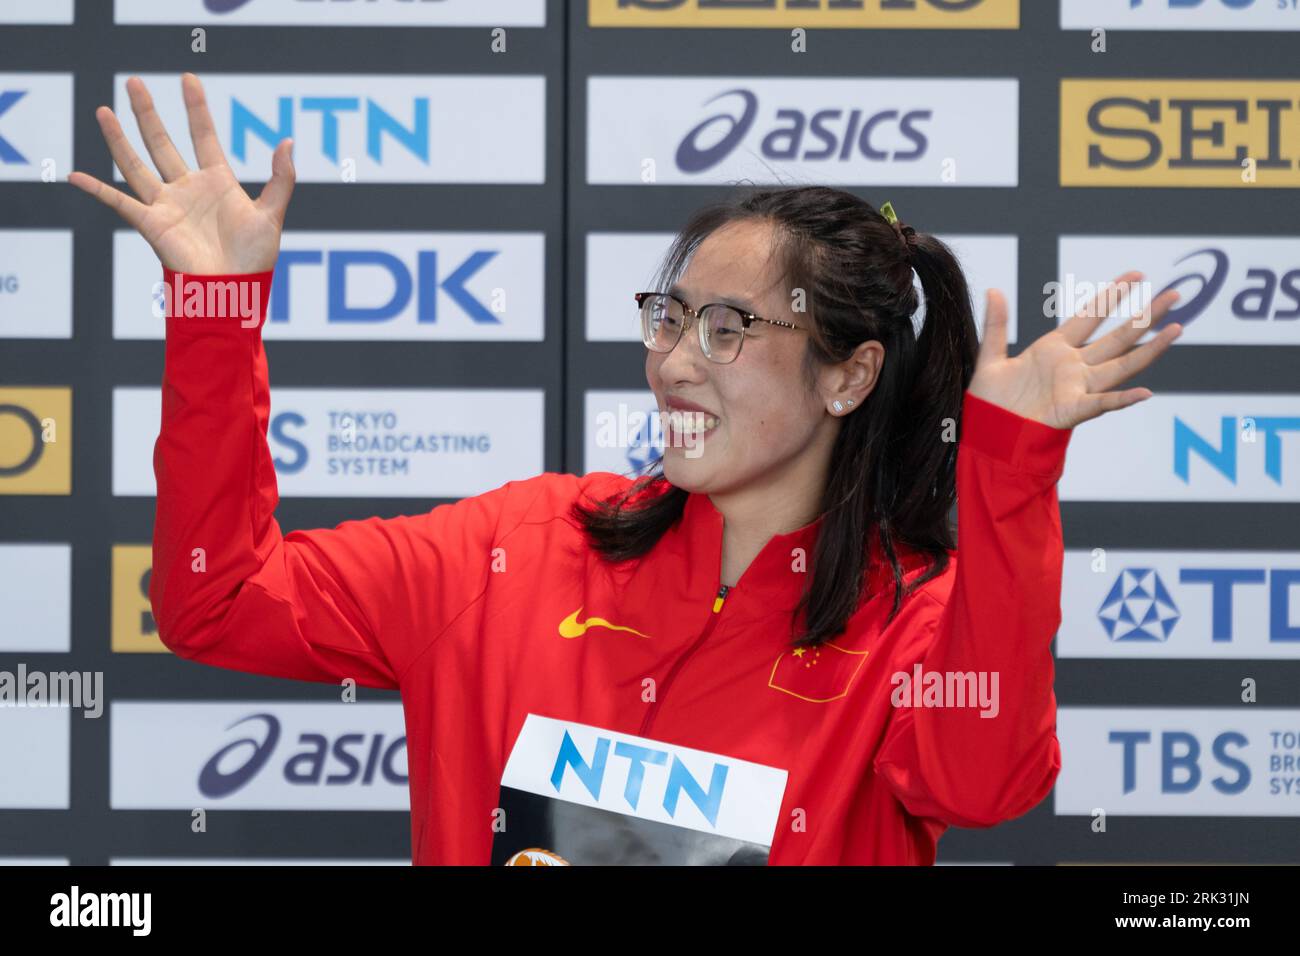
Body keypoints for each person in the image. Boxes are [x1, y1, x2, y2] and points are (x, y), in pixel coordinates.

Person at [71, 73, 1183, 865]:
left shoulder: (913, 624)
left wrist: (1011, 472)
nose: (670, 363)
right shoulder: (510, 548)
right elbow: (215, 597)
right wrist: (215, 312)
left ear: (848, 377)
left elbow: (987, 781)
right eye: (668, 317)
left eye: (727, 328)